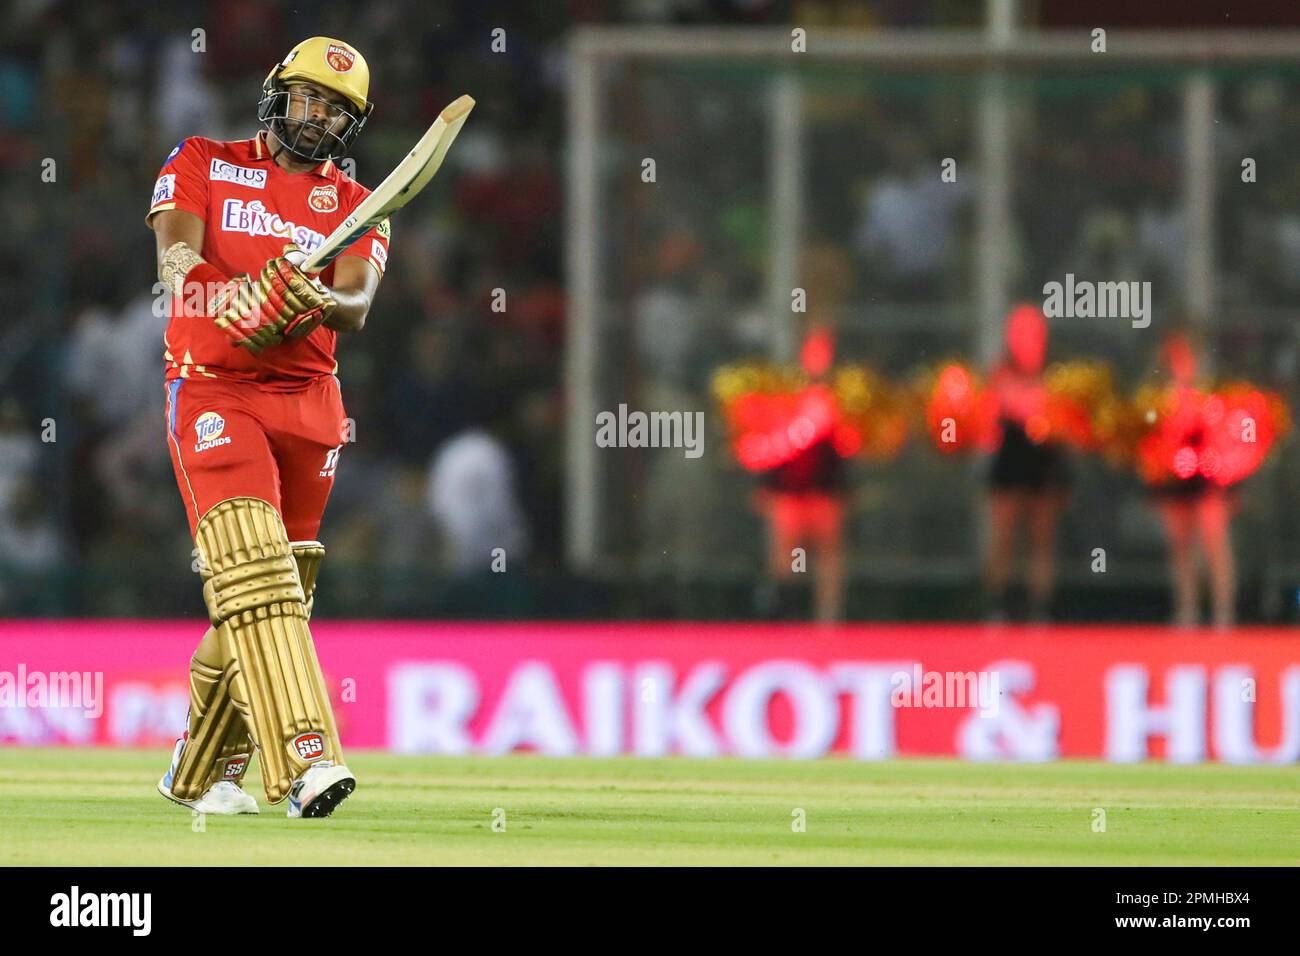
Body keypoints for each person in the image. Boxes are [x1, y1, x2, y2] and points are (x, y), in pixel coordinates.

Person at [147, 38, 391, 818]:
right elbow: (175, 258)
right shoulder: (202, 159)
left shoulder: (354, 204)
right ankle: (306, 762)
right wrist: (230, 297)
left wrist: (310, 300)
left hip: (311, 404)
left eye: (337, 111)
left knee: (272, 590)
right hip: (216, 391)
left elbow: (355, 304)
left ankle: (201, 768)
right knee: (255, 568)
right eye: (309, 98)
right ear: (275, 92)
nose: (318, 118)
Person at [1146, 331, 1237, 630]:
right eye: (1174, 360)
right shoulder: (1159, 401)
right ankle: (1187, 610)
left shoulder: (1210, 397)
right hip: (1176, 480)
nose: (1180, 365)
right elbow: (1152, 443)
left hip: (1207, 478)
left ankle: (1223, 614)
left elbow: (1226, 441)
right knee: (1181, 548)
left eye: (1185, 359)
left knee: (1214, 546)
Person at [984, 305, 1069, 622]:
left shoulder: (1055, 375)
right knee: (1004, 536)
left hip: (1044, 464)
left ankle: (1039, 610)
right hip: (1010, 462)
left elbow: (1061, 421)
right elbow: (988, 424)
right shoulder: (999, 375)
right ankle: (997, 606)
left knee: (1042, 538)